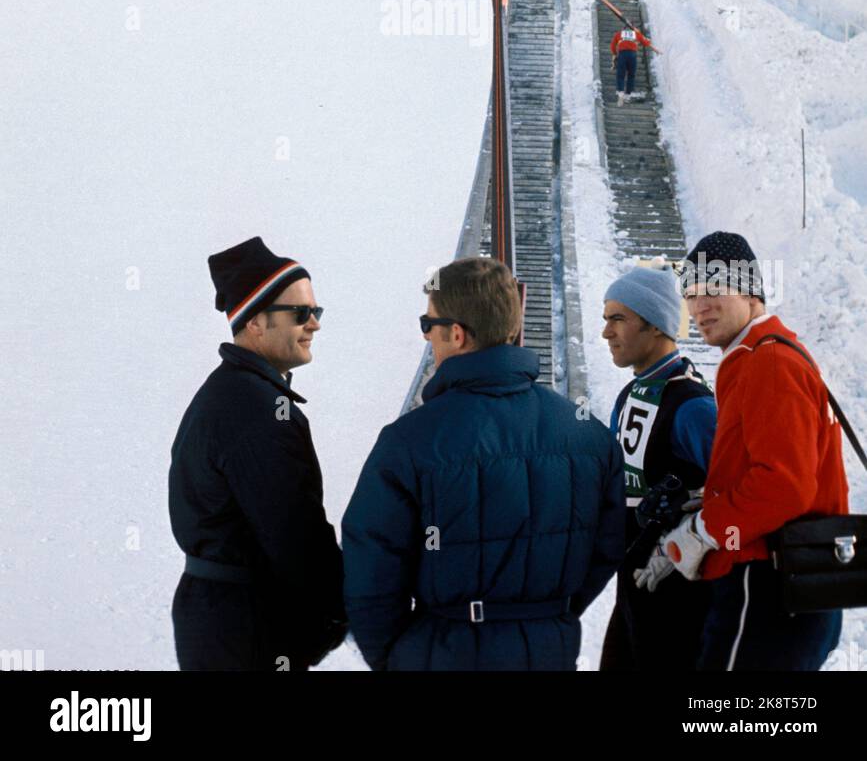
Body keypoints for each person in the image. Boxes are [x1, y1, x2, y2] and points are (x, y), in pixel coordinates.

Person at [341, 257, 625, 671]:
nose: (427, 337)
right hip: (549, 652)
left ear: (456, 334)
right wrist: (548, 617)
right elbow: (607, 547)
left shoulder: (409, 441)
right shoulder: (589, 437)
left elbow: (370, 565)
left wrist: (395, 655)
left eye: (428, 324)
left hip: (443, 652)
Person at [657, 231, 848, 672]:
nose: (699, 307)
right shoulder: (763, 356)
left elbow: (784, 485)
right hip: (784, 585)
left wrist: (706, 529)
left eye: (713, 290)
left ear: (749, 289)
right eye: (691, 294)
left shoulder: (770, 361)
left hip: (766, 586)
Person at [168, 237, 346, 672]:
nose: (315, 325)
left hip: (219, 617)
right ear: (255, 323)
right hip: (247, 627)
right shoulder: (257, 410)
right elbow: (295, 537)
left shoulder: (229, 393)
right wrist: (338, 614)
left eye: (316, 312)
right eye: (301, 313)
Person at [600, 266, 716, 672]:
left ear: (656, 326)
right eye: (604, 318)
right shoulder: (631, 393)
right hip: (633, 589)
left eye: (618, 319)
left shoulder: (693, 405)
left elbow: (733, 495)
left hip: (679, 600)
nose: (606, 332)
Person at [610, 23, 654, 104]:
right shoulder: (636, 34)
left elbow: (612, 46)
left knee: (620, 75)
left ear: (624, 28)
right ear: (633, 28)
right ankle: (628, 95)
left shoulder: (619, 34)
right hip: (632, 55)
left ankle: (620, 93)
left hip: (622, 55)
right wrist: (648, 41)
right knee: (631, 75)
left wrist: (615, 54)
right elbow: (646, 43)